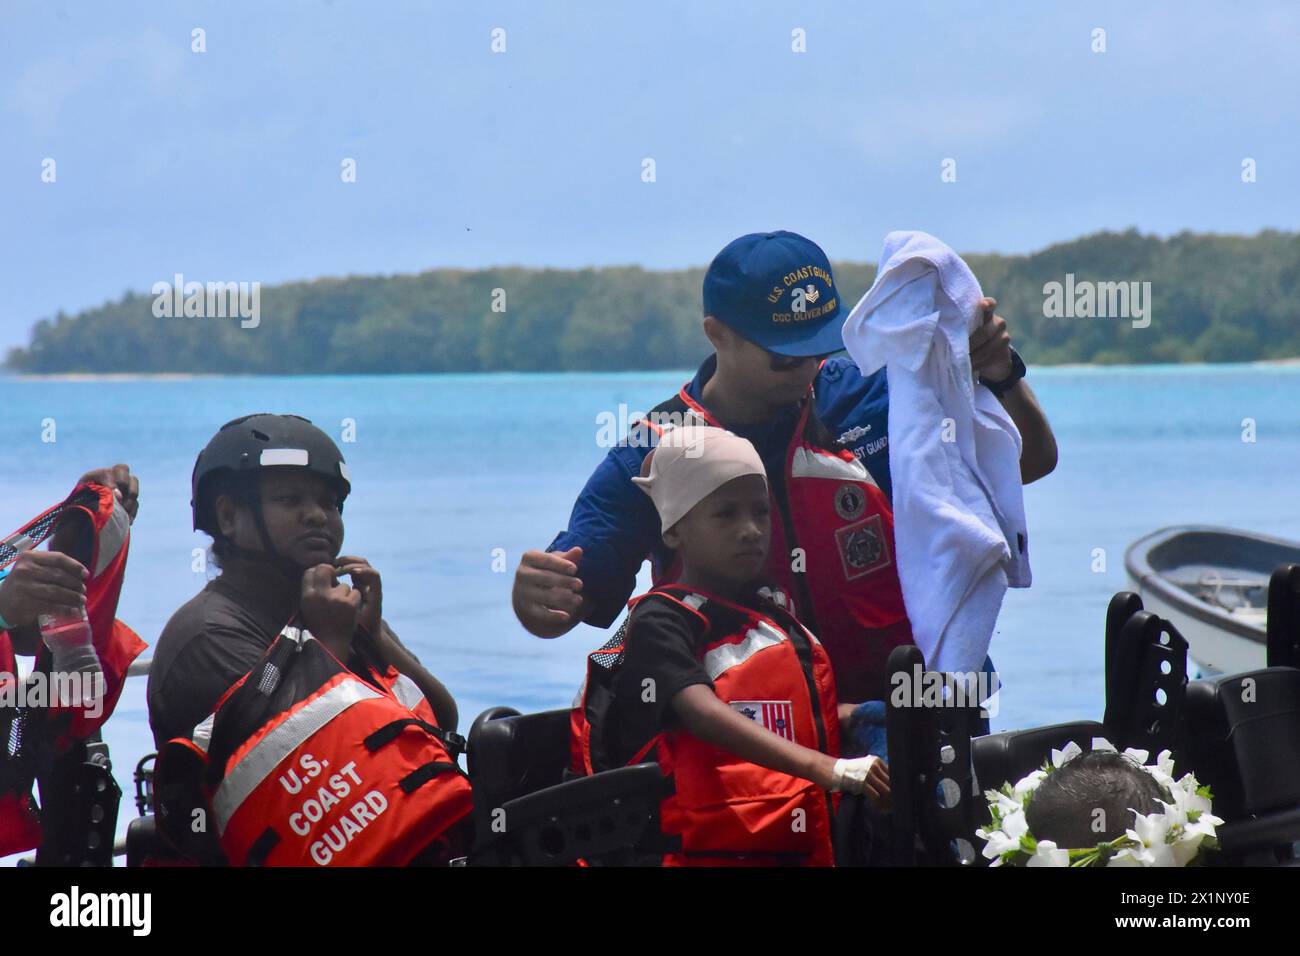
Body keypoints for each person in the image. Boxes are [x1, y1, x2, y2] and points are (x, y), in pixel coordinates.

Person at [516, 231, 1057, 729]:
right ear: (717, 335)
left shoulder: (872, 396)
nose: (805, 370)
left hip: (912, 716)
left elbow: (1031, 462)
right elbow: (559, 609)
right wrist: (534, 599)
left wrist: (1002, 373)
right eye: (784, 356)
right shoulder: (653, 448)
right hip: (762, 741)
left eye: (818, 346)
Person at [147, 414, 471, 866]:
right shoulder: (207, 635)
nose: (318, 515)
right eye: (289, 499)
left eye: (330, 503)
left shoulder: (326, 608)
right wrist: (328, 643)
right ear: (229, 516)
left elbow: (444, 722)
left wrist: (373, 634)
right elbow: (310, 777)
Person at [571, 426, 888, 866]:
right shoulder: (660, 621)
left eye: (761, 513)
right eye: (726, 514)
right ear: (674, 531)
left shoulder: (771, 615)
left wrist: (860, 717)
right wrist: (827, 769)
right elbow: (701, 714)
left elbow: (780, 718)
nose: (751, 530)